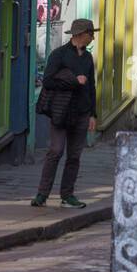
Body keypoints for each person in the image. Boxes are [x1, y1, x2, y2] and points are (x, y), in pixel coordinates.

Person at [32, 19, 97, 208]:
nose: (93, 37)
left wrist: (93, 114)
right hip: (62, 111)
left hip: (82, 112)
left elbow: (91, 86)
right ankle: (42, 194)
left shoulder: (87, 58)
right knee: (55, 151)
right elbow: (48, 81)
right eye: (91, 34)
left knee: (74, 156)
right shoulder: (59, 55)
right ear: (81, 34)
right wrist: (73, 81)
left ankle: (67, 195)